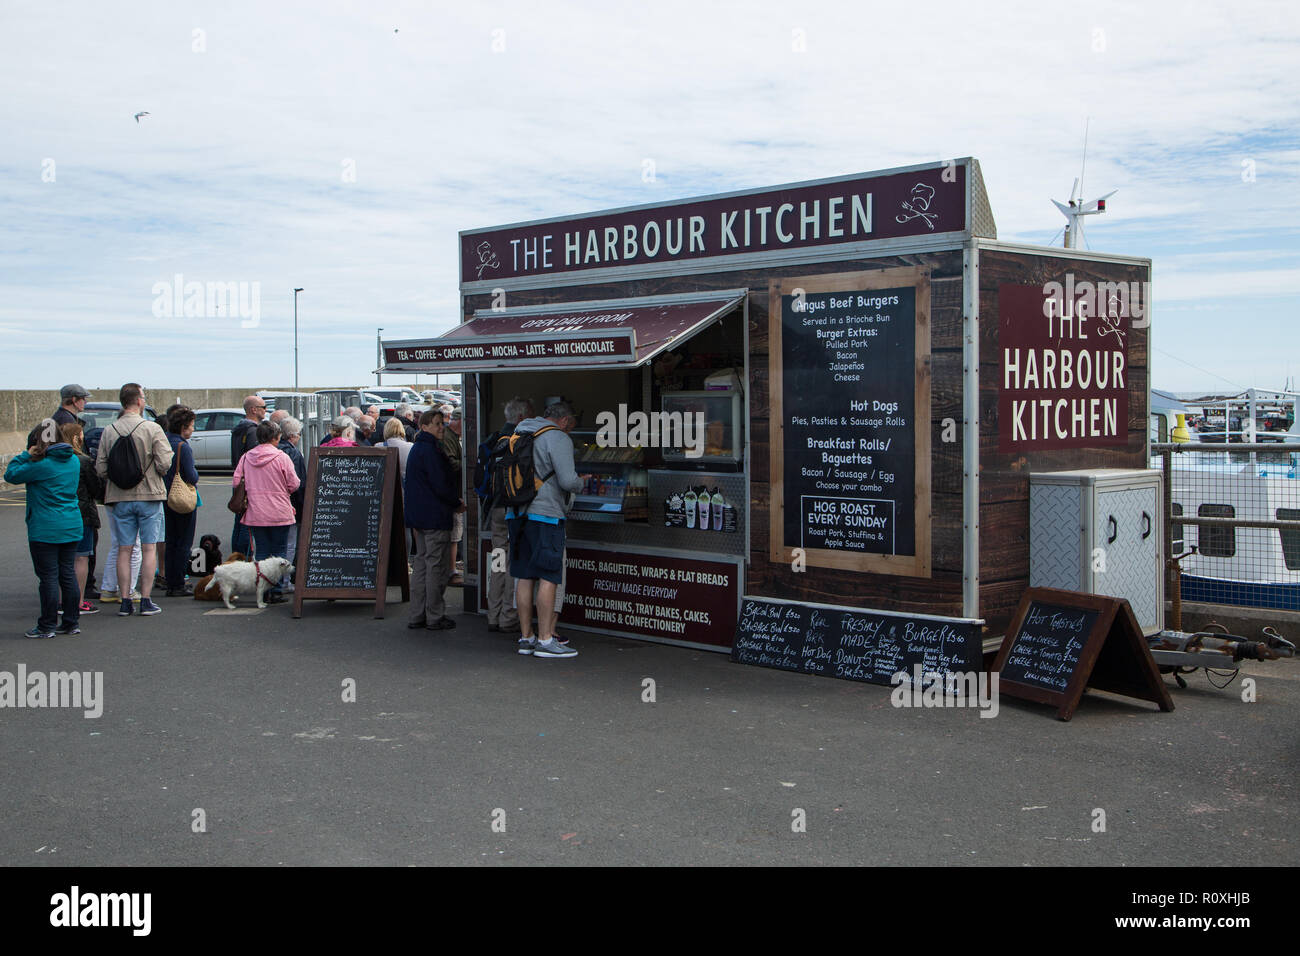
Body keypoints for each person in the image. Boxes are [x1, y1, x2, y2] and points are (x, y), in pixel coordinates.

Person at [509, 401, 581, 658]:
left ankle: (526, 637)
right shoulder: (557, 438)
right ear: (563, 421)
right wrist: (581, 483)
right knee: (549, 575)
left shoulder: (520, 432)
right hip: (547, 515)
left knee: (524, 576)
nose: (570, 429)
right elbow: (567, 480)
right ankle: (546, 640)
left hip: (517, 513)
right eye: (570, 425)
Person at [94, 384, 172, 617]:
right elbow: (164, 463)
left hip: (119, 497)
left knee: (124, 550)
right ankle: (146, 600)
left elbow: (101, 467)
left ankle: (125, 600)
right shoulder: (152, 428)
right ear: (139, 401)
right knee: (148, 548)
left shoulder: (109, 430)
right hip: (149, 495)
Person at [6, 421, 84, 637]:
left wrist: (26, 454)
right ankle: (71, 622)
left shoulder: (40, 466)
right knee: (67, 574)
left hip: (45, 528)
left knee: (48, 577)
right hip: (71, 524)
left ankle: (47, 625)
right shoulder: (74, 462)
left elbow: (10, 474)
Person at [404, 408, 462, 631]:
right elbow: (440, 485)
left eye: (442, 422)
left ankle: (417, 614)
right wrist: (456, 503)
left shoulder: (417, 448)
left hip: (419, 516)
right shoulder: (431, 450)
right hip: (435, 516)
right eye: (437, 423)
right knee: (435, 567)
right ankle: (434, 615)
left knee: (421, 565)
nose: (441, 427)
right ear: (424, 426)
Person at [231, 421, 300, 603]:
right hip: (280, 511)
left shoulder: (246, 458)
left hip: (256, 512)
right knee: (279, 551)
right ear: (276, 438)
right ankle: (276, 589)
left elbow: (236, 482)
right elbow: (294, 484)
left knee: (262, 552)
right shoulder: (282, 457)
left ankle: (263, 589)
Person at [483, 397, 533, 634]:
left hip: (495, 510)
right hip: (514, 510)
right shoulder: (521, 441)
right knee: (514, 564)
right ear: (522, 417)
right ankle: (508, 617)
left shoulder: (495, 439)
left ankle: (492, 616)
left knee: (498, 562)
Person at [60, 422, 103, 617]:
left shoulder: (53, 461)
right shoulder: (83, 461)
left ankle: (62, 600)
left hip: (61, 514)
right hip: (83, 513)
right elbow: (96, 489)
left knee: (62, 560)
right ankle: (77, 601)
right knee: (81, 558)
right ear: (77, 438)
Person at [162, 406, 200, 597]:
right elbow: (191, 476)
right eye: (192, 426)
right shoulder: (182, 446)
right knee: (183, 541)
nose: (193, 429)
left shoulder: (163, 440)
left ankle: (170, 581)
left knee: (170, 540)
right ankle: (178, 582)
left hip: (165, 496)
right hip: (181, 496)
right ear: (184, 426)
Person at [230, 395, 268, 554]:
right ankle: (244, 558)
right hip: (249, 483)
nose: (265, 410)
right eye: (263, 407)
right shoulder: (253, 431)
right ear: (253, 409)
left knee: (239, 521)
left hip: (238, 480)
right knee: (247, 523)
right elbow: (255, 458)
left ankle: (236, 556)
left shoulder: (238, 429)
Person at [277, 417, 307, 588]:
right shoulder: (293, 453)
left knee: (267, 547)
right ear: (294, 435)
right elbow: (297, 484)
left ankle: (268, 581)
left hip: (264, 508)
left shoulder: (273, 450)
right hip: (289, 506)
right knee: (288, 545)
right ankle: (284, 581)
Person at [441, 405, 465, 586]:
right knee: (454, 536)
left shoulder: (452, 437)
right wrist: (467, 462)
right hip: (452, 494)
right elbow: (451, 464)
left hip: (452, 494)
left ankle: (450, 570)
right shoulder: (450, 438)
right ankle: (451, 572)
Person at [382, 416, 413, 481]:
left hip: (385, 486)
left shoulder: (378, 446)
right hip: (405, 487)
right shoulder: (410, 446)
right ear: (402, 429)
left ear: (385, 430)